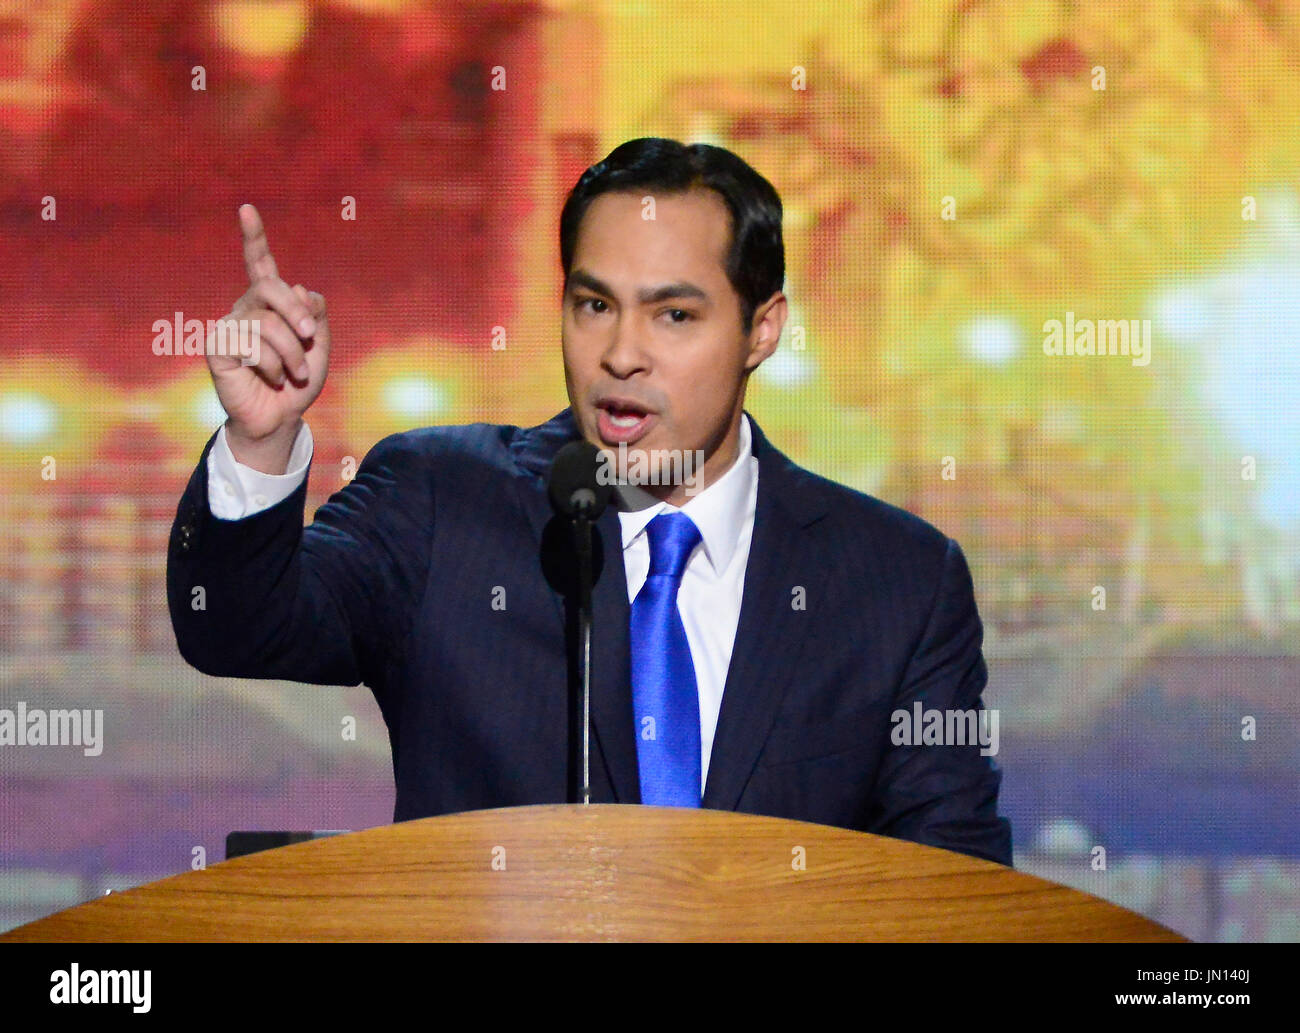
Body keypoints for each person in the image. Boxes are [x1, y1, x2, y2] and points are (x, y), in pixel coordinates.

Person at [168, 137, 1013, 866]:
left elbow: (952, 886)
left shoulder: (897, 581)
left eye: (673, 315)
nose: (620, 355)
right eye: (594, 305)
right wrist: (262, 440)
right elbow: (237, 626)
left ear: (763, 329)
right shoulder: (442, 501)